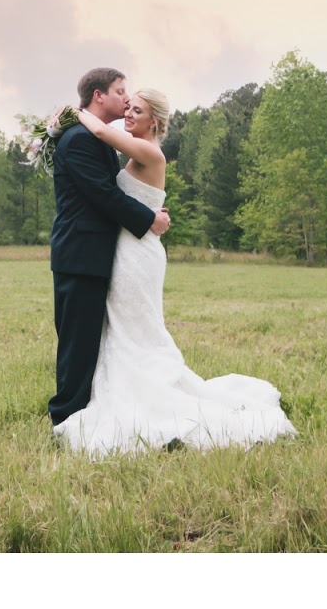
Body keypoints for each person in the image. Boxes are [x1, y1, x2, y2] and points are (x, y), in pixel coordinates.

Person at [52, 85, 298, 457]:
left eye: (137, 110)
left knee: (138, 327)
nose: (129, 114)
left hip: (137, 256)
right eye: (127, 106)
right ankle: (113, 389)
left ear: (155, 121)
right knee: (121, 327)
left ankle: (150, 392)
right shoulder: (134, 150)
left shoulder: (149, 151)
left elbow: (103, 133)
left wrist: (69, 114)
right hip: (124, 248)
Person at [48, 68, 171, 430]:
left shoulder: (100, 138)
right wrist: (148, 219)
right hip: (81, 254)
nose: (126, 101)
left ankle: (85, 408)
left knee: (98, 337)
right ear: (99, 96)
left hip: (106, 253)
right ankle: (66, 417)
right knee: (79, 341)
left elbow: (113, 190)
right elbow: (104, 194)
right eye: (121, 93)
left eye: (134, 104)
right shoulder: (81, 139)